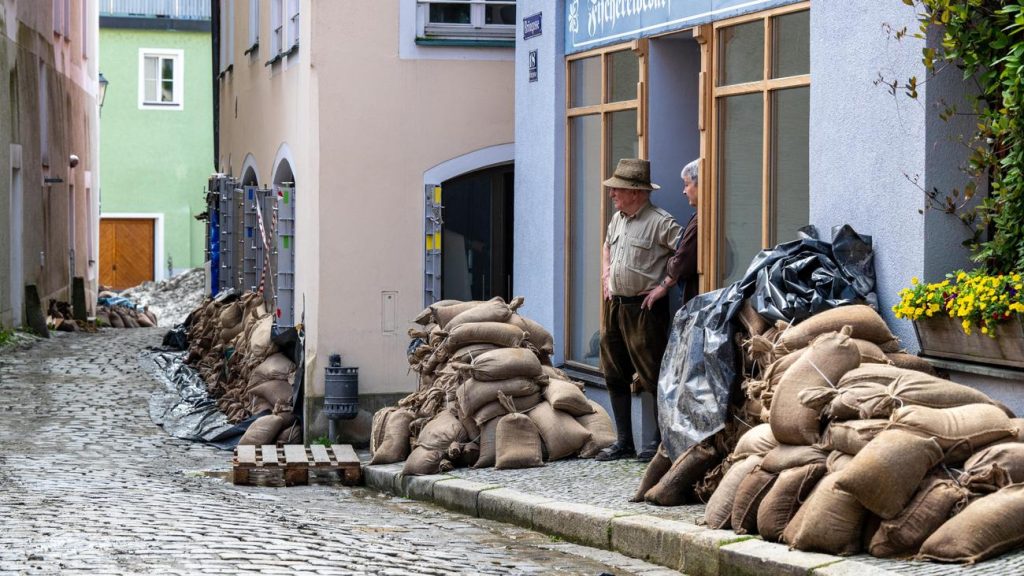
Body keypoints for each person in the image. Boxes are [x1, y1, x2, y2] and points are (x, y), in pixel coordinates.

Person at [597, 158, 682, 462]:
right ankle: (624, 442)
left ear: (635, 192)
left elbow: (685, 251)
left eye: (617, 189)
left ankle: (660, 442)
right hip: (614, 305)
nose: (612, 195)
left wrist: (665, 285)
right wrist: (606, 276)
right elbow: (607, 245)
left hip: (644, 310)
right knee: (613, 373)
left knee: (652, 374)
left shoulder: (661, 221)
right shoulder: (618, 218)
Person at [643, 158, 699, 307]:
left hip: (697, 300)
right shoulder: (698, 217)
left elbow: (679, 265)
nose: (684, 191)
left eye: (687, 185)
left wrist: (669, 263)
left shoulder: (701, 220)